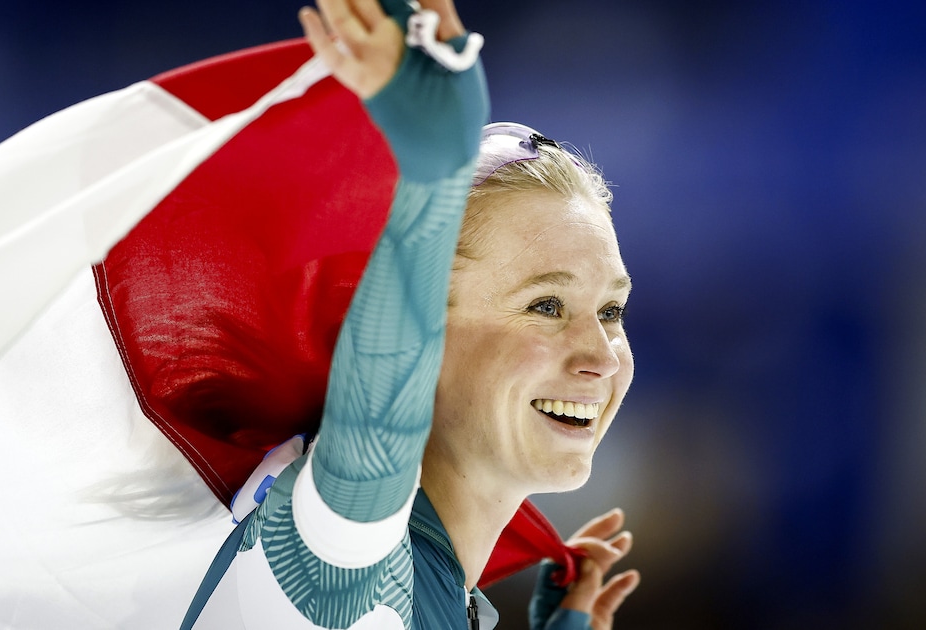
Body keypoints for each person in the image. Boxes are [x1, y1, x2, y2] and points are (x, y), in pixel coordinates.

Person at [181, 0, 639, 628]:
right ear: (419, 331)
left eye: (611, 309)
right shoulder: (338, 553)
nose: (601, 356)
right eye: (547, 305)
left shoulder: (438, 593)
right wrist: (434, 167)